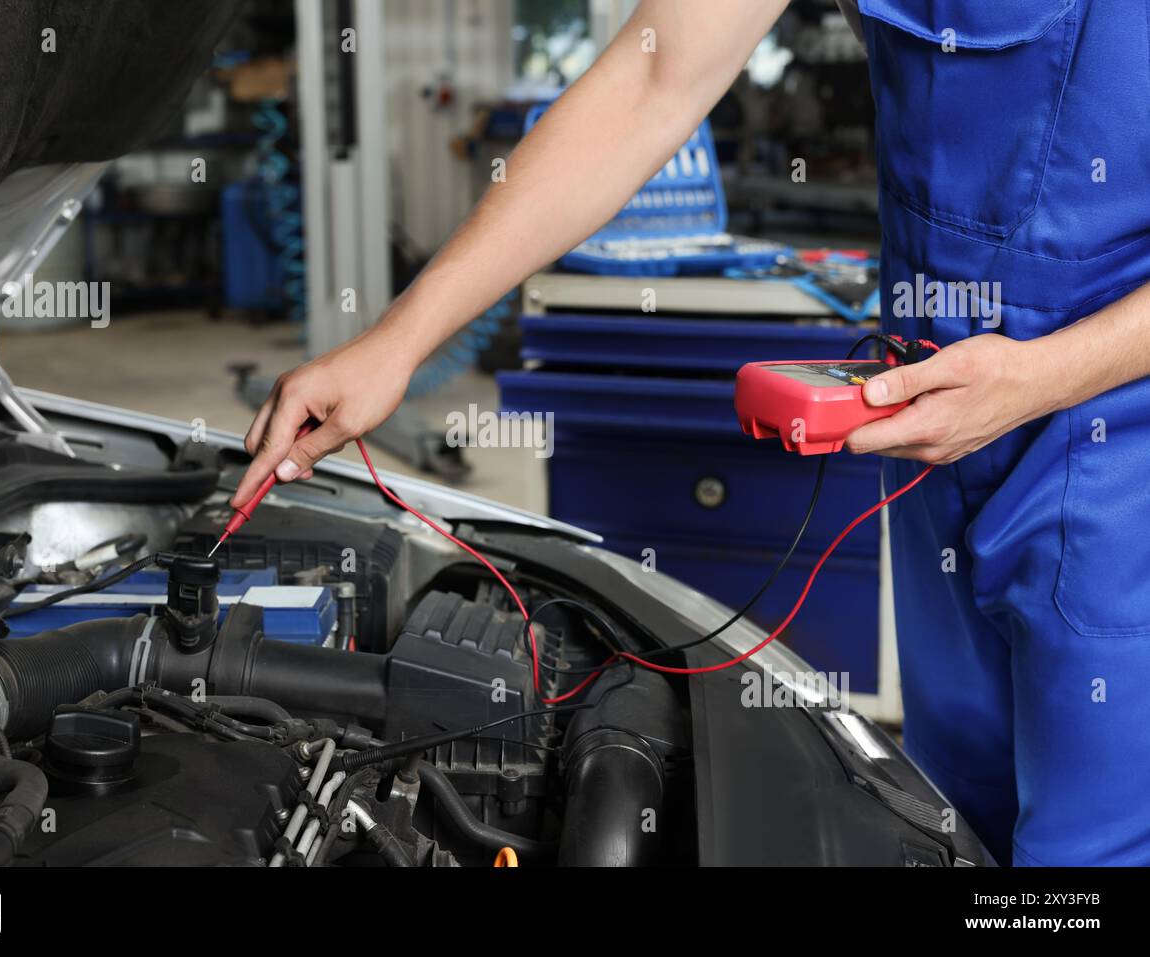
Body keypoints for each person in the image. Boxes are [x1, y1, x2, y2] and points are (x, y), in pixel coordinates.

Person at [235, 0, 1150, 866]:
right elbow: (653, 76)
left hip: (1116, 442)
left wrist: (1042, 377)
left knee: (1084, 861)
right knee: (950, 820)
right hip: (931, 427)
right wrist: (396, 343)